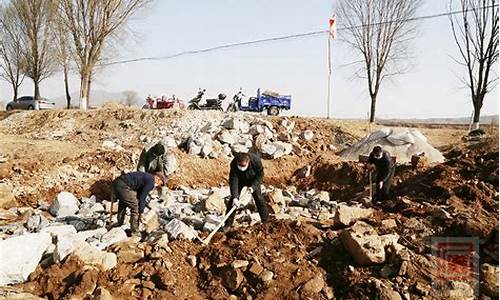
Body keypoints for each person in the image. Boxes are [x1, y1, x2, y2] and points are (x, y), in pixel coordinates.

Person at [224, 152, 269, 231]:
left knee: (259, 198)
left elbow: (260, 175)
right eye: (240, 165)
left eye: (243, 166)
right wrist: (235, 197)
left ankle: (266, 221)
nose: (241, 167)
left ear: (248, 162)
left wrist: (253, 187)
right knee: (233, 201)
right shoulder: (234, 163)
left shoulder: (256, 161)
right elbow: (233, 179)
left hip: (253, 180)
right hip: (240, 180)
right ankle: (227, 224)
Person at [112, 171, 165, 236]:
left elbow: (139, 195)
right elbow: (142, 197)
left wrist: (143, 206)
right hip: (123, 186)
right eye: (160, 184)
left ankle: (119, 223)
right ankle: (135, 231)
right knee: (135, 206)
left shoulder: (146, 177)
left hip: (117, 183)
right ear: (158, 178)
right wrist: (141, 213)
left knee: (124, 202)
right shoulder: (151, 181)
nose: (158, 186)